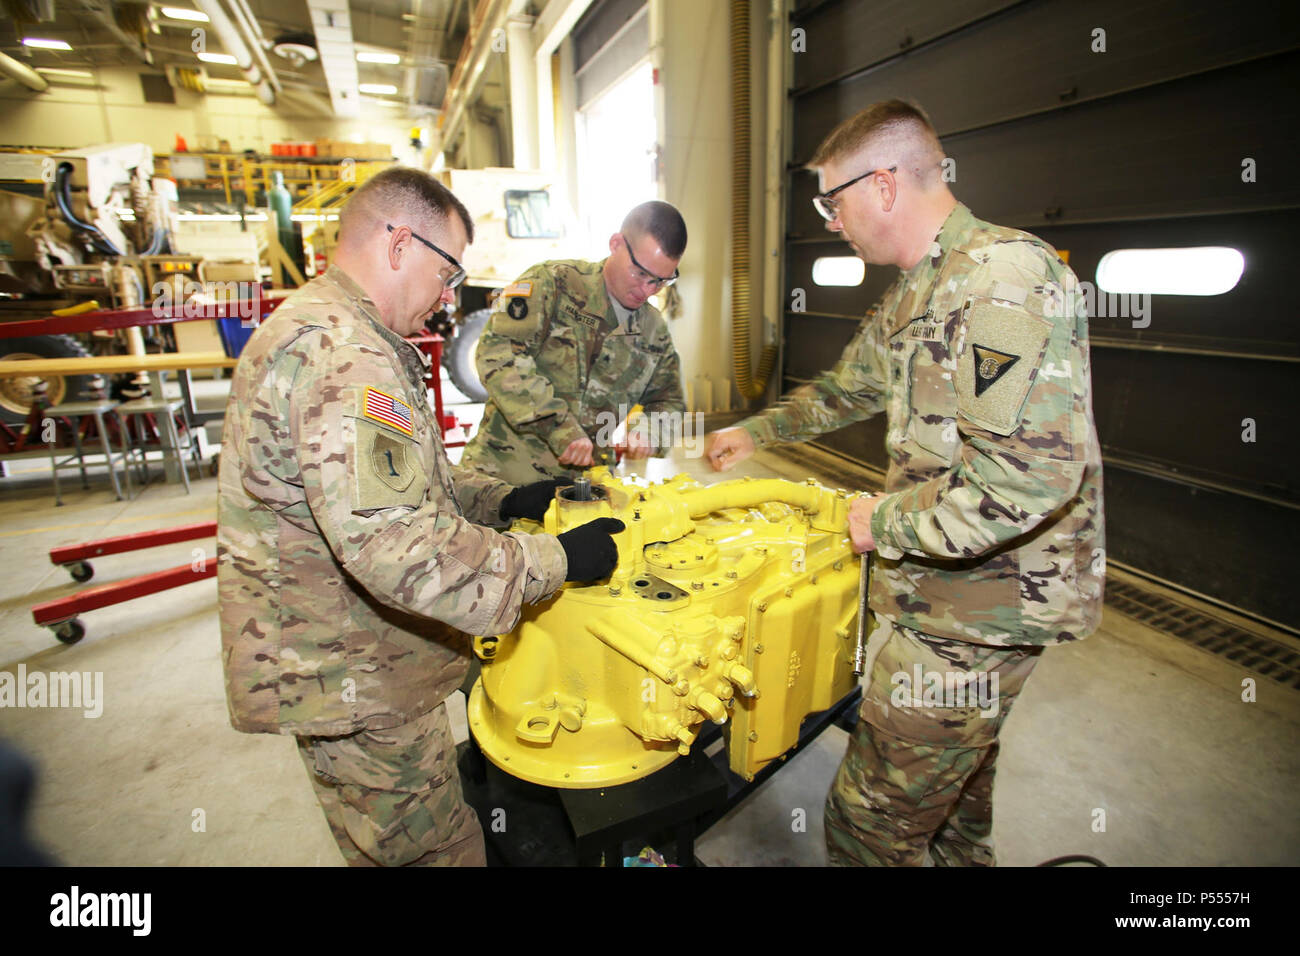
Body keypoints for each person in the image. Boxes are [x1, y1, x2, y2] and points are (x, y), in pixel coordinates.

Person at [706, 100, 1105, 866]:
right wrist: (752, 433)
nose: (829, 219)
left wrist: (876, 524)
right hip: (953, 594)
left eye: (834, 199)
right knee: (957, 801)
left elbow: (1023, 482)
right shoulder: (923, 288)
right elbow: (847, 389)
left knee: (869, 824)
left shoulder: (999, 282)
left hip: (984, 616)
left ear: (883, 185)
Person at [216, 167, 624, 867]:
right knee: (432, 853)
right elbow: (403, 549)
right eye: (447, 273)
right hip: (355, 681)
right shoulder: (349, 359)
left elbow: (399, 488)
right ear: (399, 243)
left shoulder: (327, 326)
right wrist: (557, 561)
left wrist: (503, 500)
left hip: (348, 660)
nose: (445, 299)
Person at [458, 201, 688, 485]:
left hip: (586, 490)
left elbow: (669, 400)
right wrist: (558, 425)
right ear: (616, 244)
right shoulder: (551, 284)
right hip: (505, 486)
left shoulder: (653, 330)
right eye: (640, 273)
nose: (647, 290)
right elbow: (498, 353)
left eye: (660, 281)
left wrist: (650, 430)